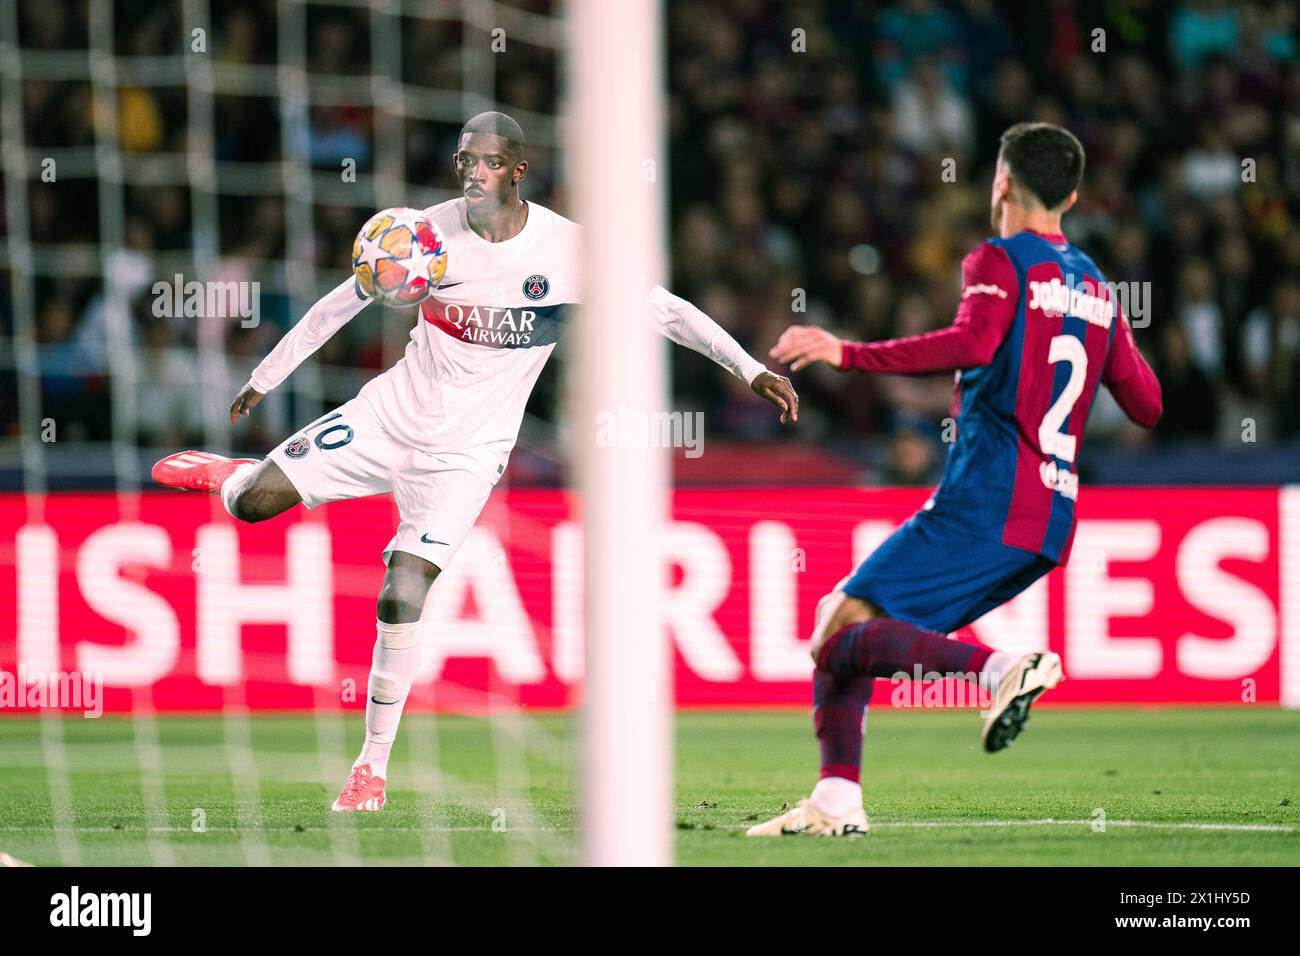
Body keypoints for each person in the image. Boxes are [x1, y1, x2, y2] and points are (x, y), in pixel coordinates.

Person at [152, 111, 798, 813]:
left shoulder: (570, 251)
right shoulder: (422, 238)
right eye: (463, 159)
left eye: (485, 162)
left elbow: (666, 312)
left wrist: (748, 368)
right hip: (387, 417)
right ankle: (233, 474)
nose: (470, 172)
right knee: (252, 506)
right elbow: (342, 303)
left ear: (517, 170)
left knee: (401, 594)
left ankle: (371, 766)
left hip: (466, 457)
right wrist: (266, 378)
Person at [751, 122, 1162, 837]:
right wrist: (1099, 340)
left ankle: (1002, 668)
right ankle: (836, 802)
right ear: (1070, 195)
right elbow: (1148, 406)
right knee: (845, 629)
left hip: (985, 498)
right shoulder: (1098, 286)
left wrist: (846, 353)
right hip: (1050, 519)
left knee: (833, 633)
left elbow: (970, 343)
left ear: (1001, 181)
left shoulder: (998, 261)